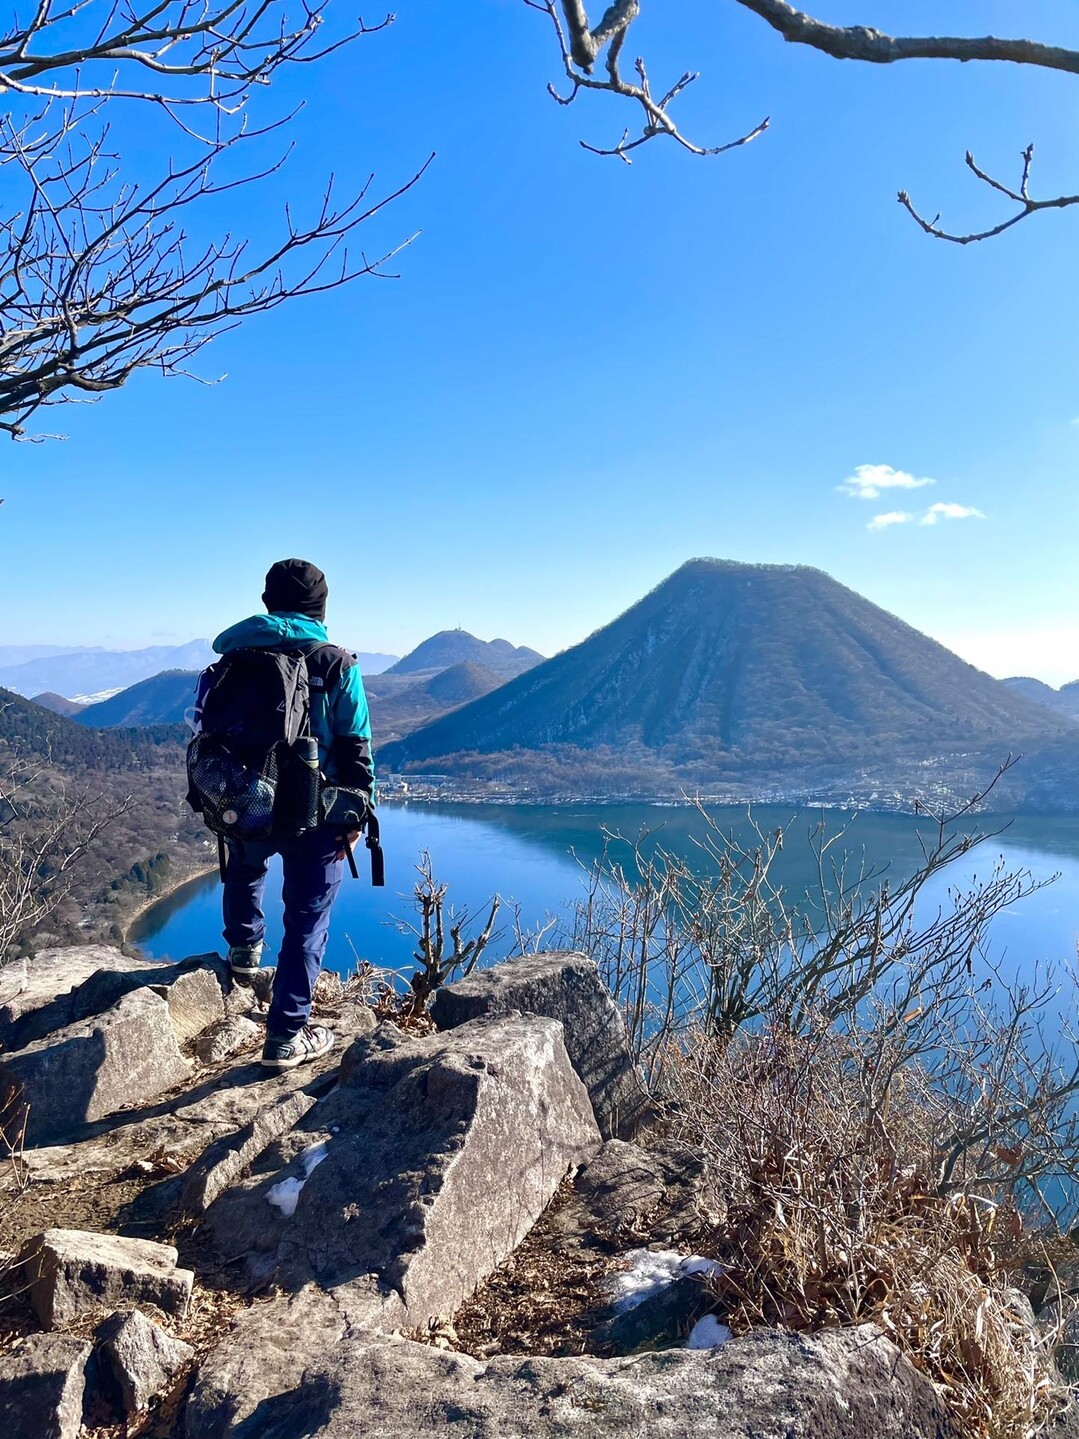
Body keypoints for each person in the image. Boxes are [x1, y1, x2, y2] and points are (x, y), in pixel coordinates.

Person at [206, 558, 375, 1070]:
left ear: (267, 602)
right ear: (321, 608)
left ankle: (243, 951)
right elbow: (357, 746)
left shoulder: (231, 660)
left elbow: (205, 732)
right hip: (316, 811)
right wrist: (354, 818)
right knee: (306, 919)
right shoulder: (336, 663)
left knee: (245, 866)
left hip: (245, 799)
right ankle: (285, 1036)